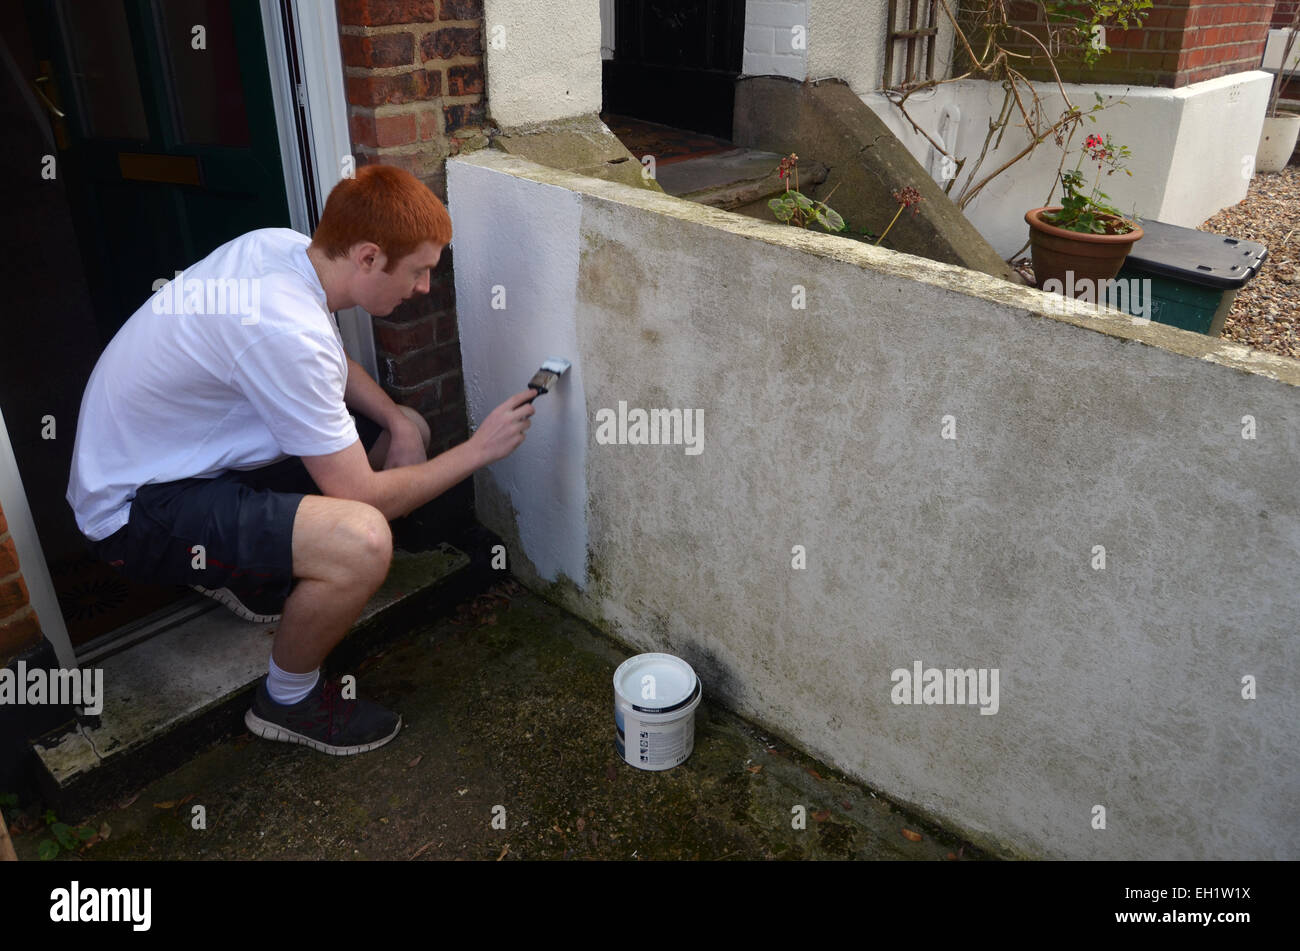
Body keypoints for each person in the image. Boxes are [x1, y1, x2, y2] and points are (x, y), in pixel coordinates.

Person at [66, 164, 537, 755]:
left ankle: (259, 575)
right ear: (367, 257)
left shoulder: (286, 249)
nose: (422, 288)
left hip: (174, 457)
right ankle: (287, 701)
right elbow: (360, 496)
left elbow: (331, 366)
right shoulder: (281, 327)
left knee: (403, 426)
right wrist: (479, 450)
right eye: (417, 272)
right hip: (133, 509)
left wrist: (396, 419)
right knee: (361, 540)